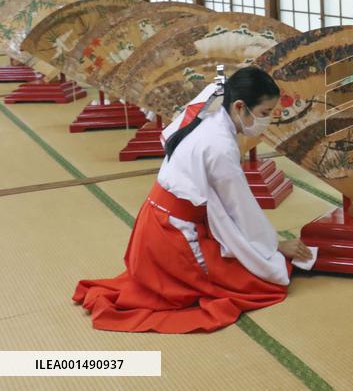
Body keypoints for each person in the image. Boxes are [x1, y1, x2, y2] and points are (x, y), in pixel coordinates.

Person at [73, 66, 314, 333]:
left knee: (245, 263)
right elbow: (241, 210)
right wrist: (275, 246)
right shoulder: (219, 144)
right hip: (173, 237)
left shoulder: (209, 109)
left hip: (157, 221)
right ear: (239, 106)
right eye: (264, 114)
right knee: (264, 283)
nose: (267, 121)